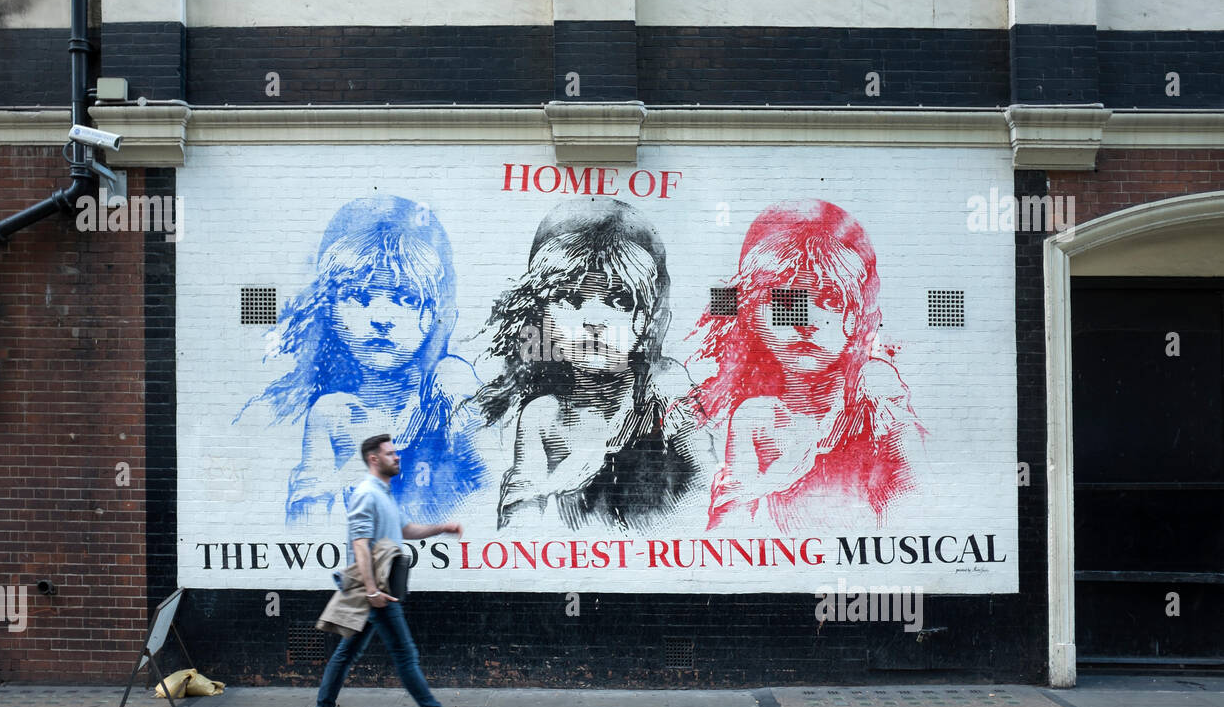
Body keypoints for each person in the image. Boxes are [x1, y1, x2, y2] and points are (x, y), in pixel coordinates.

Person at [241, 195, 486, 526]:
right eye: (358, 296)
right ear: (332, 311)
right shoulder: (332, 413)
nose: (382, 317)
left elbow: (488, 492)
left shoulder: (451, 387)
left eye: (405, 298)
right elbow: (305, 526)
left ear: (432, 315)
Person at [689, 199, 926, 531]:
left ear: (856, 317)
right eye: (786, 300)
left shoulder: (878, 409)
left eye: (830, 300)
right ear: (754, 315)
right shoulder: (755, 419)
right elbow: (730, 532)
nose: (807, 322)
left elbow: (917, 512)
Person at [472, 198, 708, 532]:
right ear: (543, 316)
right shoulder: (544, 415)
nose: (594, 320)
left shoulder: (664, 388)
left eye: (620, 301)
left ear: (647, 320)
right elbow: (520, 516)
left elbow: (709, 486)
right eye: (571, 299)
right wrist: (555, 484)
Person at [309, 433, 484, 707]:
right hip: (376, 590)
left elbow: (405, 530)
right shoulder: (367, 494)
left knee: (346, 653)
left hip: (376, 587)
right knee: (405, 654)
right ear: (374, 459)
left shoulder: (383, 493)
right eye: (390, 454)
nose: (397, 457)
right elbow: (360, 544)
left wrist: (441, 528)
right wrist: (373, 592)